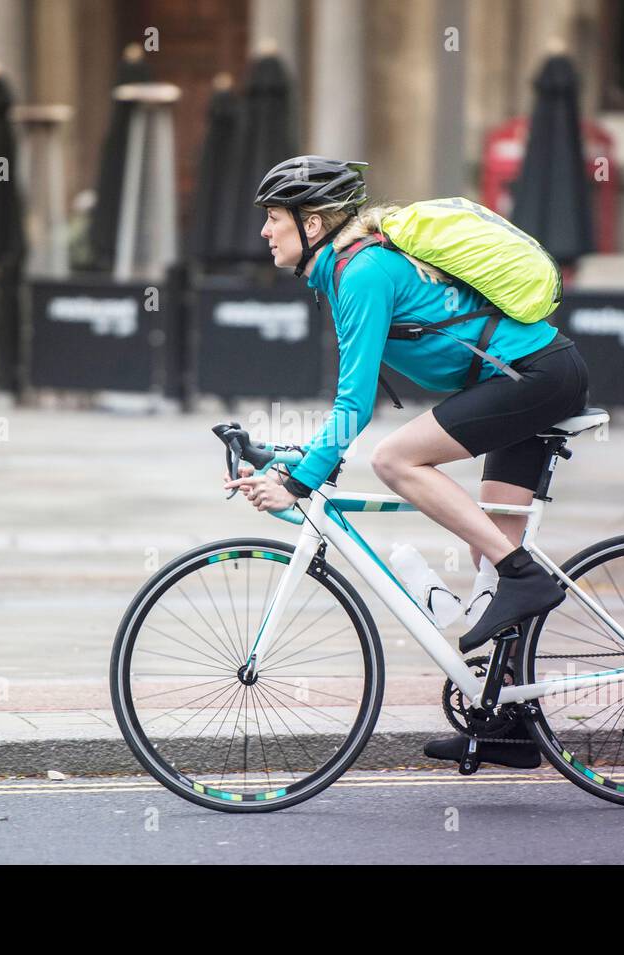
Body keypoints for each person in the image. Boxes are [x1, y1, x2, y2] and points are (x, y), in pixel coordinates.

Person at [225, 155, 591, 769]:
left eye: (273, 218)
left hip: (537, 375)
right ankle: (511, 724)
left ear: (312, 223)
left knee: (395, 460)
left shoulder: (361, 269)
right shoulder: (348, 268)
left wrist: (298, 479)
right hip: (526, 376)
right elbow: (347, 405)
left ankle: (527, 577)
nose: (265, 231)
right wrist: (287, 460)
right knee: (488, 554)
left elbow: (355, 400)